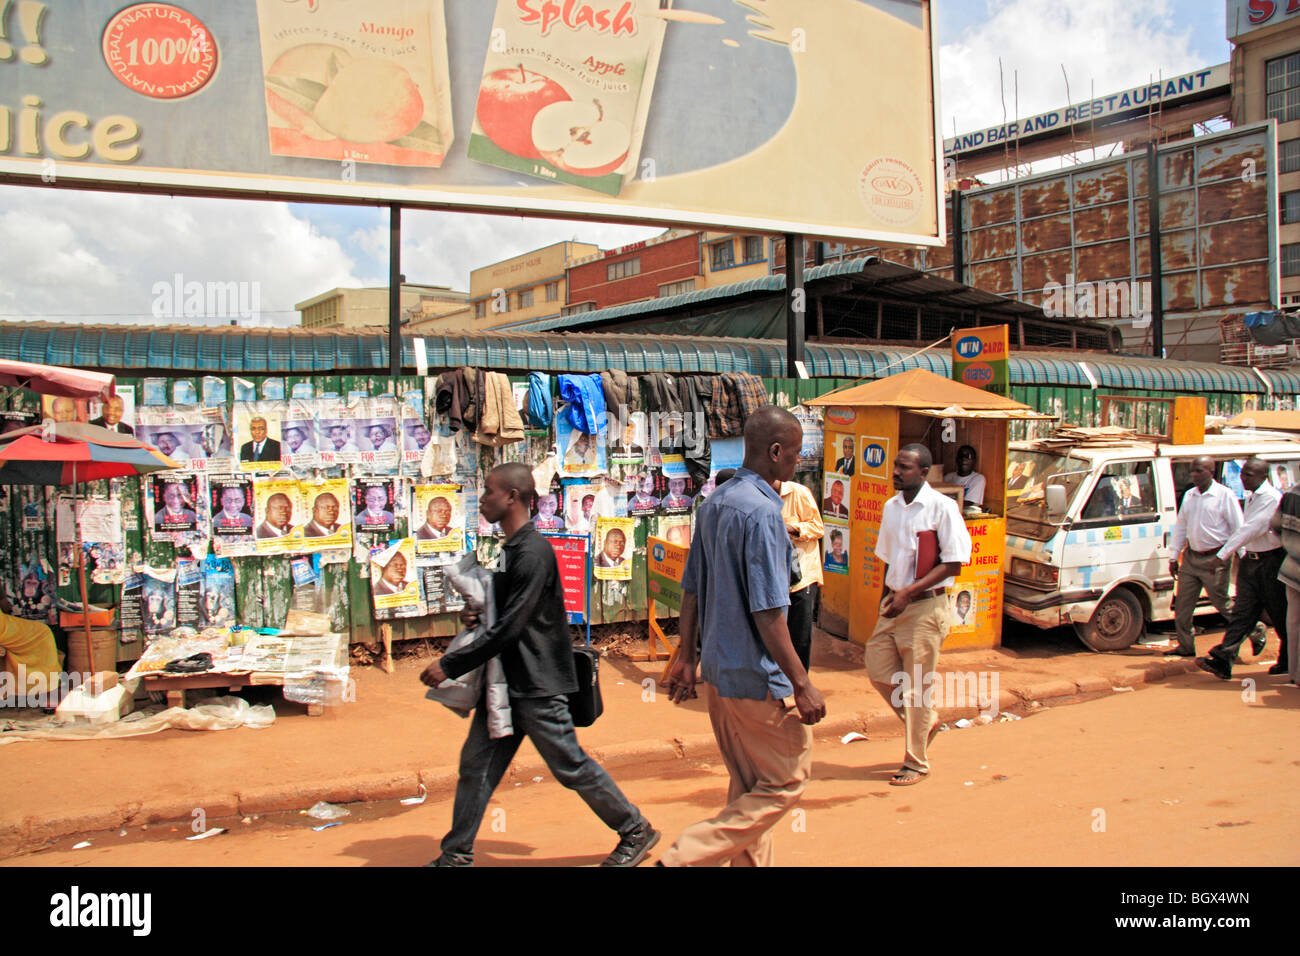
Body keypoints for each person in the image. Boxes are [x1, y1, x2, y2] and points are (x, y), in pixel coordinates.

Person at [420, 462, 658, 867]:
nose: (483, 498)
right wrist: (477, 613)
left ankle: (635, 829)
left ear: (512, 497)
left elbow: (513, 625)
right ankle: (455, 855)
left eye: (490, 491)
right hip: (507, 682)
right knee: (476, 767)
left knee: (569, 766)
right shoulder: (514, 549)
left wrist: (452, 664)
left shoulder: (532, 552)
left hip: (538, 684)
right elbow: (504, 612)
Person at [660, 406, 825, 867]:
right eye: (793, 455)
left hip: (718, 674)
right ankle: (683, 856)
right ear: (775, 452)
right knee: (786, 781)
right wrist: (802, 683)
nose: (795, 464)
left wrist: (687, 658)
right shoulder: (763, 515)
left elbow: (692, 588)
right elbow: (769, 612)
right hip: (755, 679)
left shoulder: (714, 504)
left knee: (750, 787)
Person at [866, 443, 972, 787]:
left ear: (923, 472)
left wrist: (909, 593)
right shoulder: (891, 507)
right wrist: (886, 600)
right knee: (877, 668)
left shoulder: (942, 508)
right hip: (895, 606)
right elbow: (888, 559)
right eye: (895, 466)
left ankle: (916, 762)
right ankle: (926, 724)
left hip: (926, 607)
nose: (896, 472)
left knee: (916, 690)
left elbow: (954, 561)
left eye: (905, 468)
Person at [1198, 458, 1288, 680]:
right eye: (1243, 473)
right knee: (1242, 612)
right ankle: (1223, 660)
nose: (1243, 478)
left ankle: (1288, 660)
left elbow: (1251, 529)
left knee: (1280, 614)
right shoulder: (1251, 497)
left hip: (1270, 562)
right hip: (1251, 561)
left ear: (1262, 476)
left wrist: (1222, 555)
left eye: (1248, 474)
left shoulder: (1272, 499)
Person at [1167, 456, 1241, 657]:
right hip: (1192, 557)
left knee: (1222, 604)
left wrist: (1231, 556)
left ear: (1210, 471)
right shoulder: (1190, 495)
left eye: (1198, 471)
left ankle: (1253, 629)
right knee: (1183, 605)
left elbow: (1238, 529)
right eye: (1192, 471)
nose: (1194, 475)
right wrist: (1174, 556)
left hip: (1215, 559)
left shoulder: (1224, 495)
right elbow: (1181, 526)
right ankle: (1185, 646)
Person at [780, 477, 824, 673]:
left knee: (800, 634)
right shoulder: (760, 495)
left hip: (803, 575)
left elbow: (818, 527)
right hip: (778, 576)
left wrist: (794, 529)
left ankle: (799, 682)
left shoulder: (799, 493)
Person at [1275, 479, 1300, 685]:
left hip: (1291, 566)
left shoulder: (1290, 494)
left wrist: (1289, 545)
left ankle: (1293, 673)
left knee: (1293, 622)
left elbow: (1274, 525)